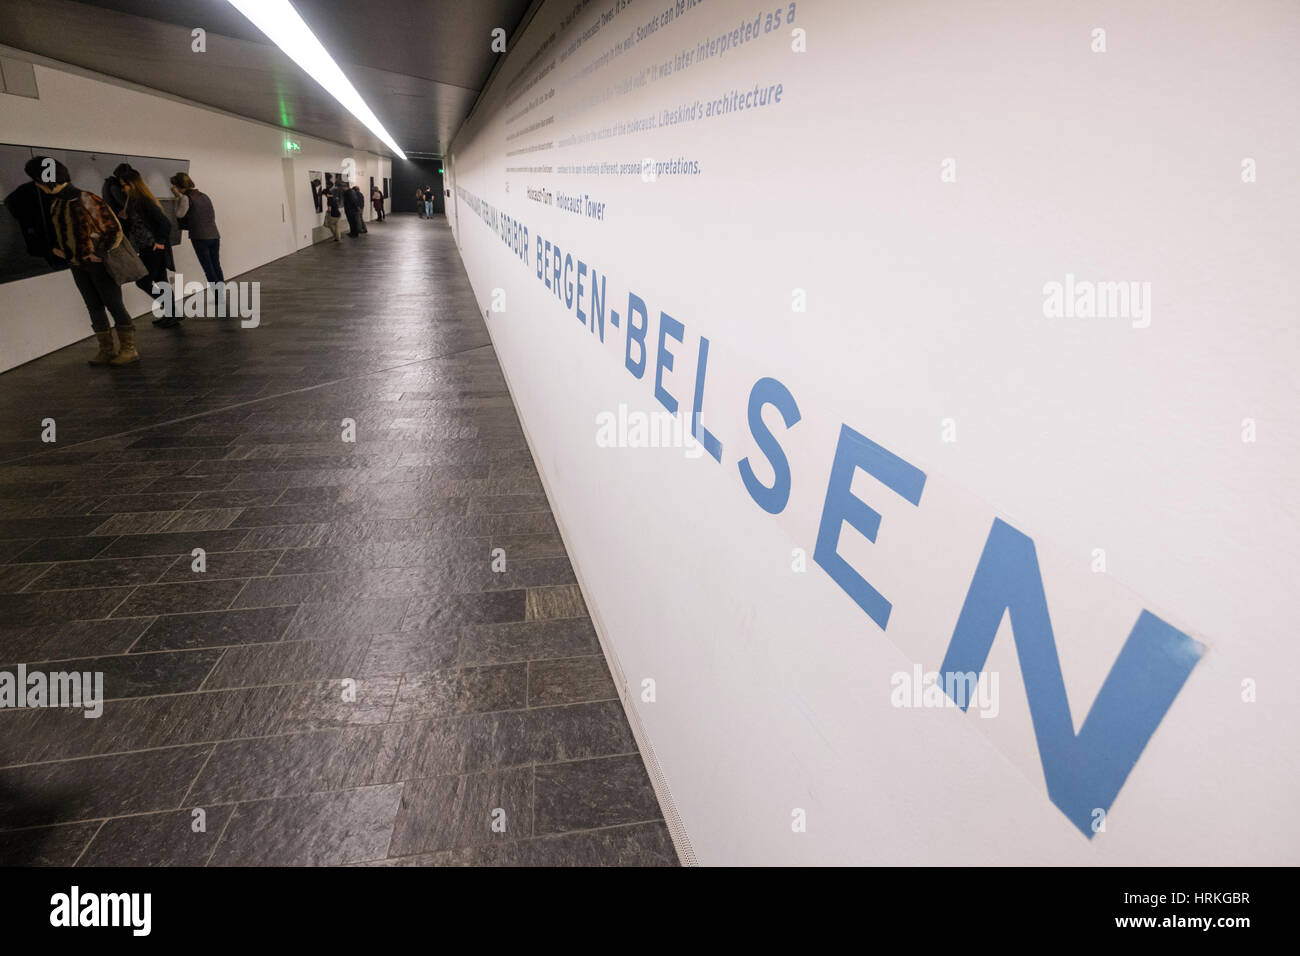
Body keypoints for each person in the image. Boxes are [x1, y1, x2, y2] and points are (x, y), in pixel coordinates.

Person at [8, 156, 139, 365]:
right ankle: (106, 349)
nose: (37, 185)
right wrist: (61, 251)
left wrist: (100, 253)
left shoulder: (85, 198)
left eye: (37, 180)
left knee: (114, 305)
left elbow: (113, 230)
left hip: (98, 264)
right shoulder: (58, 203)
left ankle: (128, 349)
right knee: (93, 306)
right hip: (78, 264)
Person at [106, 164, 179, 328]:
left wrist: (159, 242)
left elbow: (165, 223)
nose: (123, 189)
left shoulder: (143, 201)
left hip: (152, 247)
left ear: (132, 185)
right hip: (148, 247)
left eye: (125, 185)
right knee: (161, 281)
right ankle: (173, 314)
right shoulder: (135, 202)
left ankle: (171, 311)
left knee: (143, 282)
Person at [170, 172, 223, 283]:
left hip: (200, 238)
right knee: (216, 266)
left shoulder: (185, 198)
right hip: (214, 235)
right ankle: (221, 294)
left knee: (208, 269)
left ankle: (219, 297)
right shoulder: (204, 196)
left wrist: (177, 198)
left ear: (179, 186)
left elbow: (179, 214)